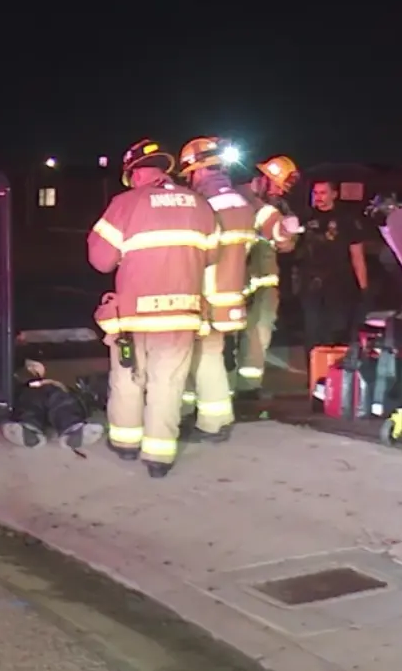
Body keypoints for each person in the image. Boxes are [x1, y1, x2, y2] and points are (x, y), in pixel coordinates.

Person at [88, 138, 218, 478]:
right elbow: (211, 255)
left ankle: (125, 443)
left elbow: (100, 260)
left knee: (128, 378)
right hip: (181, 314)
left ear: (133, 174)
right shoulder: (200, 205)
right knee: (168, 384)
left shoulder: (125, 203)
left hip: (134, 316)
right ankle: (159, 458)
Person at [172, 137, 256, 442]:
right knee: (208, 355)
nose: (191, 180)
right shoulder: (241, 202)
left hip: (205, 294)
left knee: (205, 357)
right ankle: (198, 414)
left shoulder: (204, 204)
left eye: (191, 174)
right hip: (230, 294)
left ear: (199, 169)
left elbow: (195, 252)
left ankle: (213, 423)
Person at [233, 155, 304, 399]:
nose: (278, 192)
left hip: (263, 281)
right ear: (263, 179)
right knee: (227, 335)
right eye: (276, 186)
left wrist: (287, 231)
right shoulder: (240, 198)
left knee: (259, 333)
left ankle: (248, 388)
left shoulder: (277, 206)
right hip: (233, 280)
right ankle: (224, 387)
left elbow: (287, 245)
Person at [295, 181, 374, 348]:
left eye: (323, 192)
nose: (318, 197)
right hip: (310, 281)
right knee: (312, 329)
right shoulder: (305, 218)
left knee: (334, 330)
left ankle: (332, 362)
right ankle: (314, 362)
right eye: (316, 193)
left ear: (334, 194)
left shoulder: (347, 220)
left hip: (338, 283)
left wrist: (364, 288)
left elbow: (357, 256)